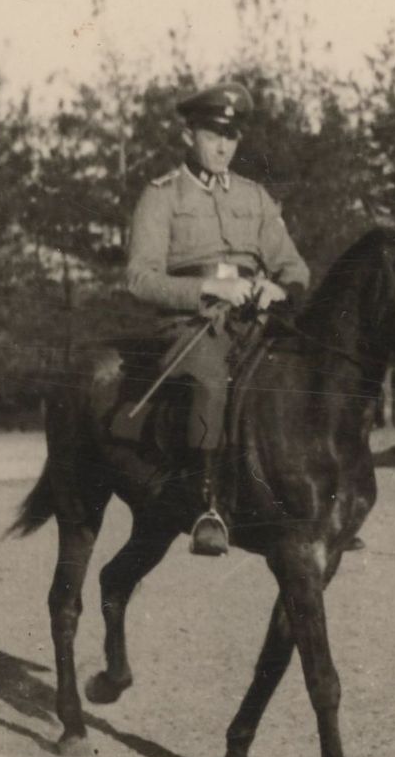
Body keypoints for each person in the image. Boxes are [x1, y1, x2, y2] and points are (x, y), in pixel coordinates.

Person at [125, 81, 309, 556]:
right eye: (212, 134)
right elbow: (140, 280)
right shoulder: (161, 196)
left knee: (297, 375)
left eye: (230, 136)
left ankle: (306, 500)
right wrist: (210, 287)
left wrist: (279, 287)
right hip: (192, 324)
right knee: (210, 380)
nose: (223, 145)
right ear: (189, 135)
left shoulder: (256, 197)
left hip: (252, 319)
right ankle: (208, 506)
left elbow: (294, 267)